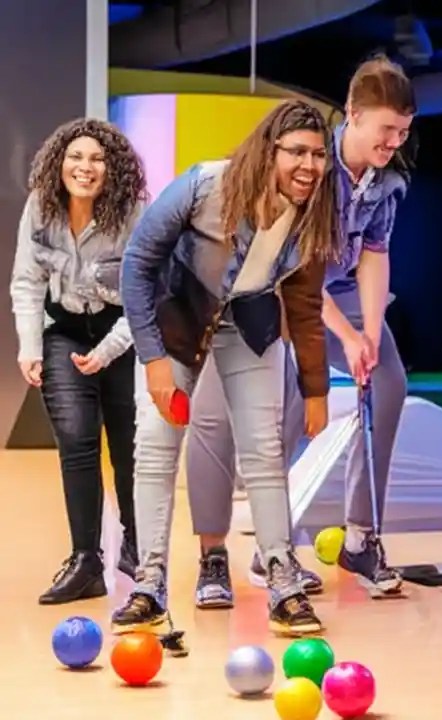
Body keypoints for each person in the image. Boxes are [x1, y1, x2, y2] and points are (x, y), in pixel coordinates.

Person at [183, 55, 414, 606]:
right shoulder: (310, 165)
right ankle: (264, 547)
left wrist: (372, 333)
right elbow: (297, 272)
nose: (393, 143)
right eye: (385, 130)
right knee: (275, 409)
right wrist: (347, 337)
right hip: (275, 290)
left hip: (340, 297)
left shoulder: (388, 180)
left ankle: (361, 537)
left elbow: (374, 255)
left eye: (403, 133)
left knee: (389, 383)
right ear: (353, 115)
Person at [111, 99, 338, 637]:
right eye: (298, 153)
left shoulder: (316, 211)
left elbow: (305, 305)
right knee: (156, 446)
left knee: (264, 450)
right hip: (180, 319)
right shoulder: (204, 185)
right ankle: (149, 583)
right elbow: (138, 266)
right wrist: (154, 361)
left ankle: (282, 579)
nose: (310, 165)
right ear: (269, 150)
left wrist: (316, 389)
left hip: (251, 322)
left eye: (319, 155)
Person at [9, 118, 147, 605]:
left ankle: (138, 548)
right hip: (63, 332)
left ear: (113, 170)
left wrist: (107, 351)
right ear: (59, 162)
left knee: (130, 446)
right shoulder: (41, 208)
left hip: (122, 335)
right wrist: (30, 345)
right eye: (75, 157)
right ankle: (85, 561)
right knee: (76, 441)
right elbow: (26, 281)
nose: (84, 167)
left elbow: (142, 295)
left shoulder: (133, 213)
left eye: (97, 158)